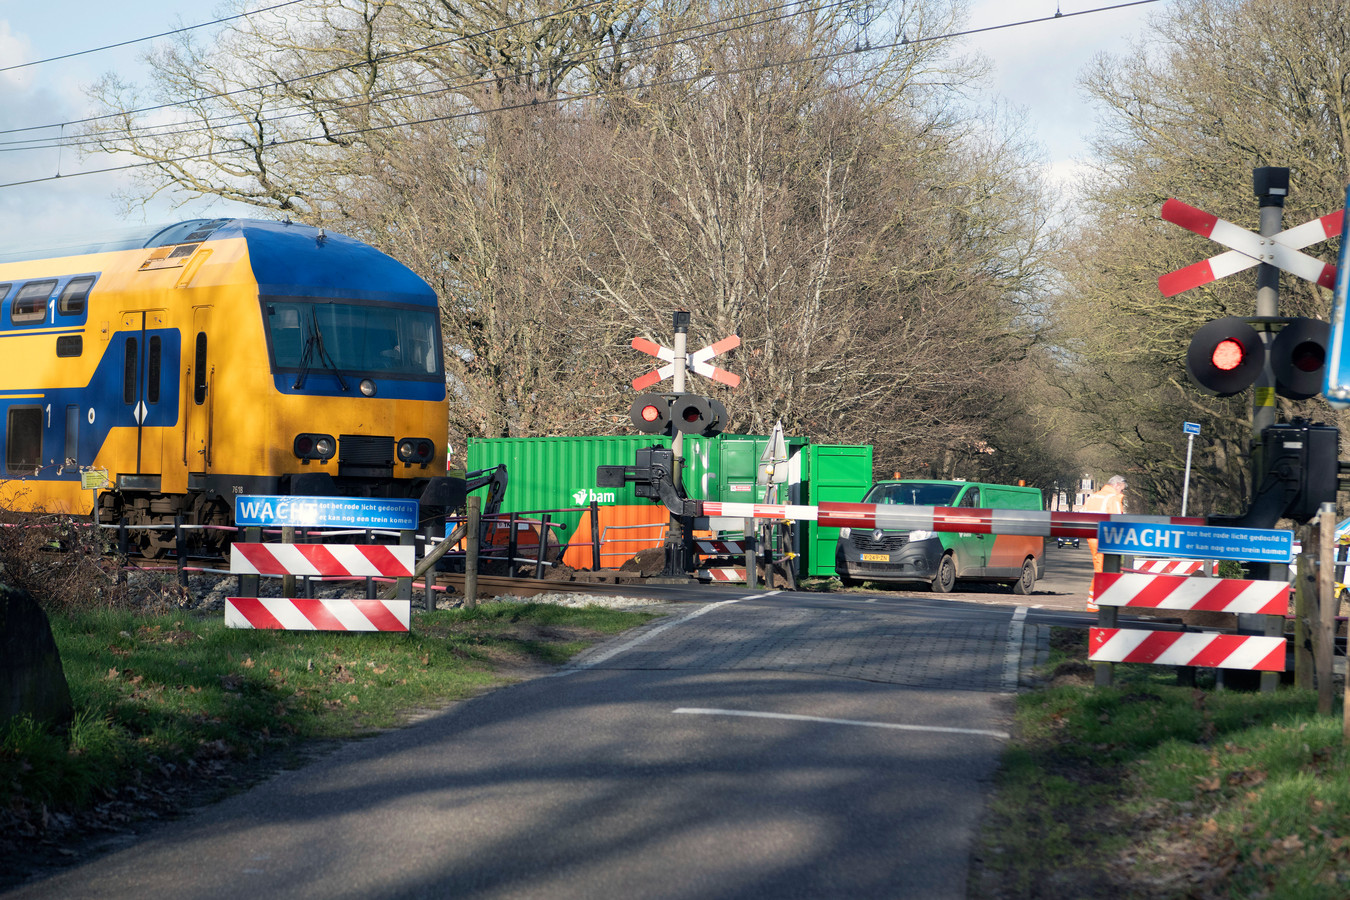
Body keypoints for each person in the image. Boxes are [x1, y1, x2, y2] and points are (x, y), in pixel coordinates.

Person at [1082, 475, 1126, 609]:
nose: (1122, 492)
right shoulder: (1112, 498)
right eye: (1122, 489)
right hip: (1106, 539)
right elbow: (1119, 522)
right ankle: (1096, 607)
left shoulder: (1093, 497)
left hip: (1092, 538)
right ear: (1117, 485)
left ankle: (1095, 604)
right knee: (1104, 571)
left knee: (1099, 569)